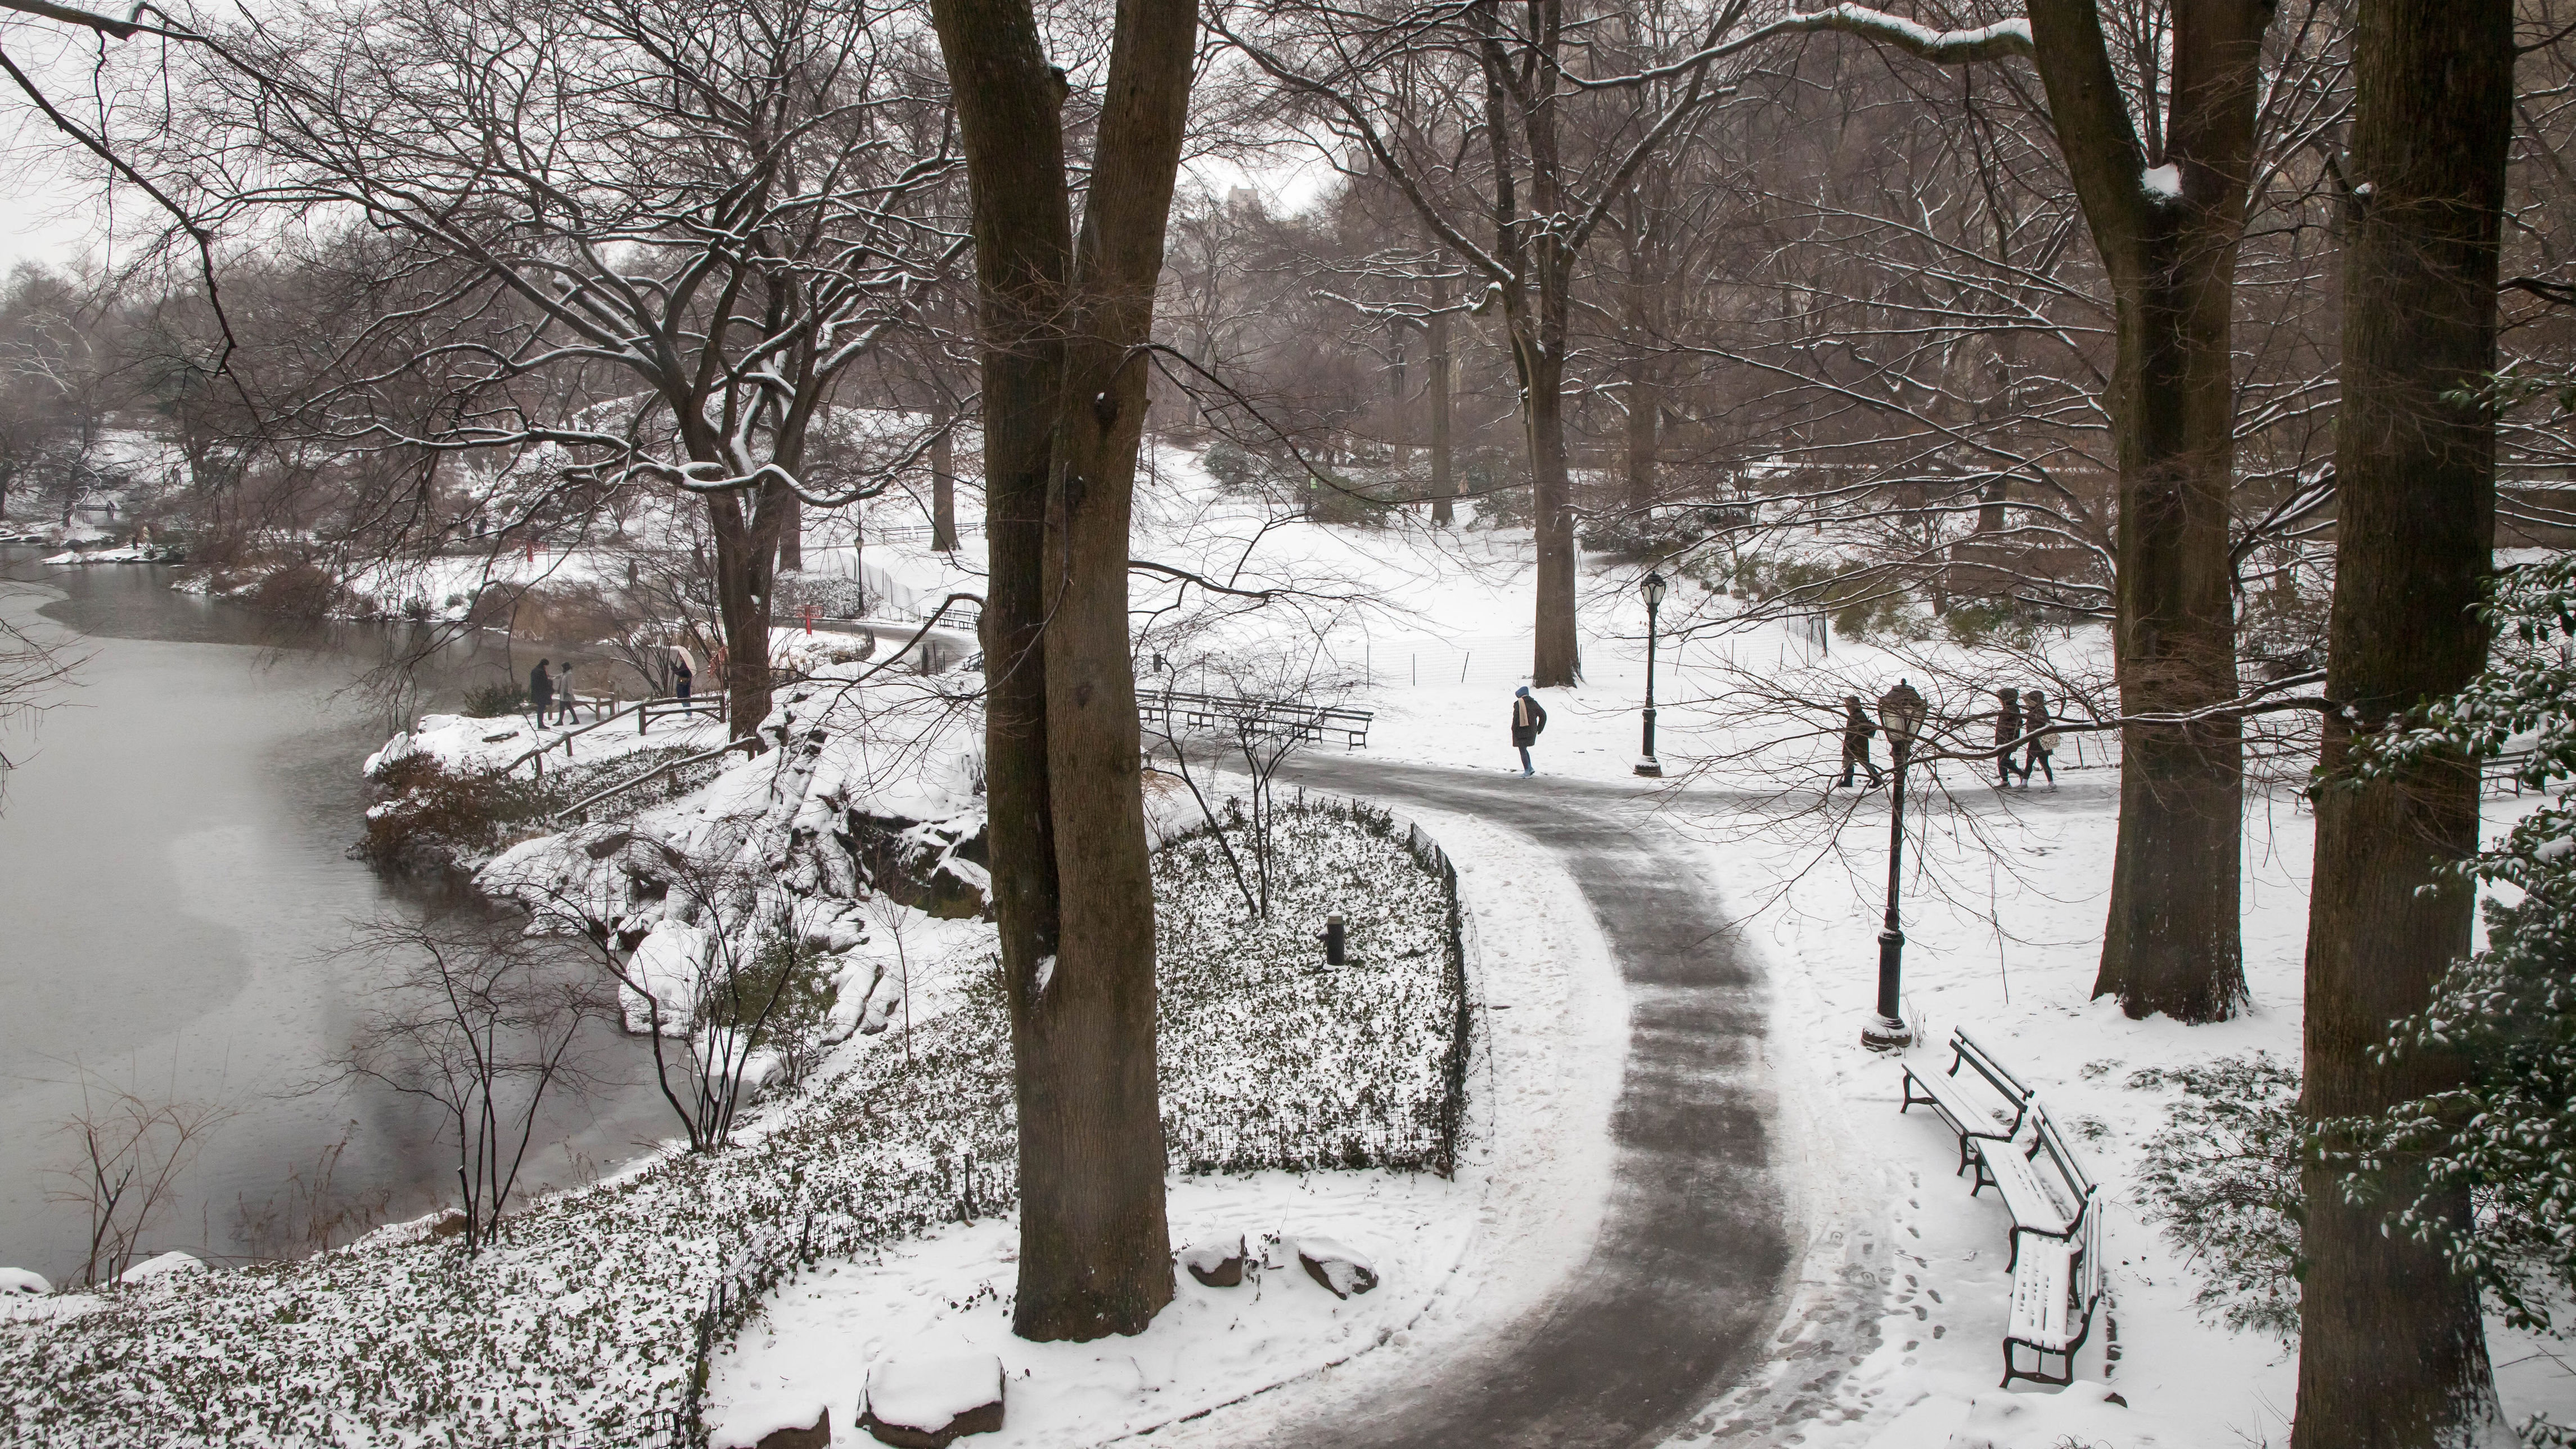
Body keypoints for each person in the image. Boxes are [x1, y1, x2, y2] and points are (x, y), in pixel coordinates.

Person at [1838, 694, 1884, 789]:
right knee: (1849, 761)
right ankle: (1848, 781)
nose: (1847, 707)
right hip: (1854, 743)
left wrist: (1845, 732)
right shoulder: (1856, 715)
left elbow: (1857, 730)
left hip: (1858, 744)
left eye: (1848, 705)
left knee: (1864, 762)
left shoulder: (1858, 716)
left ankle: (1877, 779)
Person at [2020, 690, 2056, 786]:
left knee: (2040, 763)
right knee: (2033, 763)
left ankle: (2051, 784)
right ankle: (2025, 783)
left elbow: (2043, 726)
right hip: (2035, 742)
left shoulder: (2039, 711)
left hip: (2040, 742)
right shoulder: (2035, 710)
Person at [1510, 686, 1547, 777]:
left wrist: (1513, 729)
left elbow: (1516, 720)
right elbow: (1543, 715)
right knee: (1524, 749)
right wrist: (1539, 728)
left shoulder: (1518, 704)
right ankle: (1529, 768)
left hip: (1521, 731)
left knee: (1522, 750)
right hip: (1532, 731)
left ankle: (1527, 771)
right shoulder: (1534, 703)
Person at [1992, 686, 2021, 788]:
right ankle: (2005, 781)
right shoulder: (2007, 709)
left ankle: (2022, 774)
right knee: (2001, 759)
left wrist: (2010, 740)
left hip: (2008, 741)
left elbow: (2014, 727)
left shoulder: (2012, 710)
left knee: (2003, 760)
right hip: (2002, 740)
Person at [555, 661, 582, 726]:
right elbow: (558, 676)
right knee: (566, 707)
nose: (562, 669)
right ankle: (572, 720)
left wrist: (569, 693)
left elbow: (570, 685)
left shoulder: (569, 674)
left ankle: (562, 721)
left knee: (565, 707)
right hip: (563, 694)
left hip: (566, 694)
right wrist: (549, 676)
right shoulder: (564, 673)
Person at [529, 659, 555, 726]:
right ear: (544, 665)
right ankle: (540, 724)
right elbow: (544, 683)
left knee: (540, 708)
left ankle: (540, 723)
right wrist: (551, 687)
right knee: (541, 708)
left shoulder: (534, 670)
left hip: (536, 693)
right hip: (542, 694)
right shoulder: (541, 672)